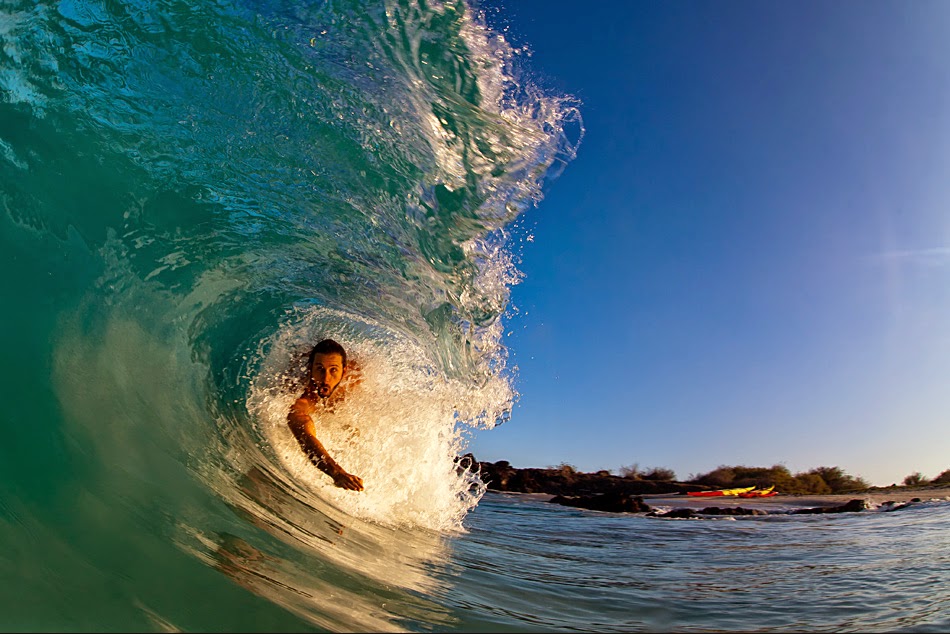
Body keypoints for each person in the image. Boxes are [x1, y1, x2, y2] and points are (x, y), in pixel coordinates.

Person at [287, 338, 364, 491]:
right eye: (320, 369)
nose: (326, 378)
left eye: (333, 370)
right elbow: (305, 437)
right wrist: (337, 473)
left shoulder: (355, 380)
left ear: (344, 371)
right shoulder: (302, 398)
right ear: (310, 369)